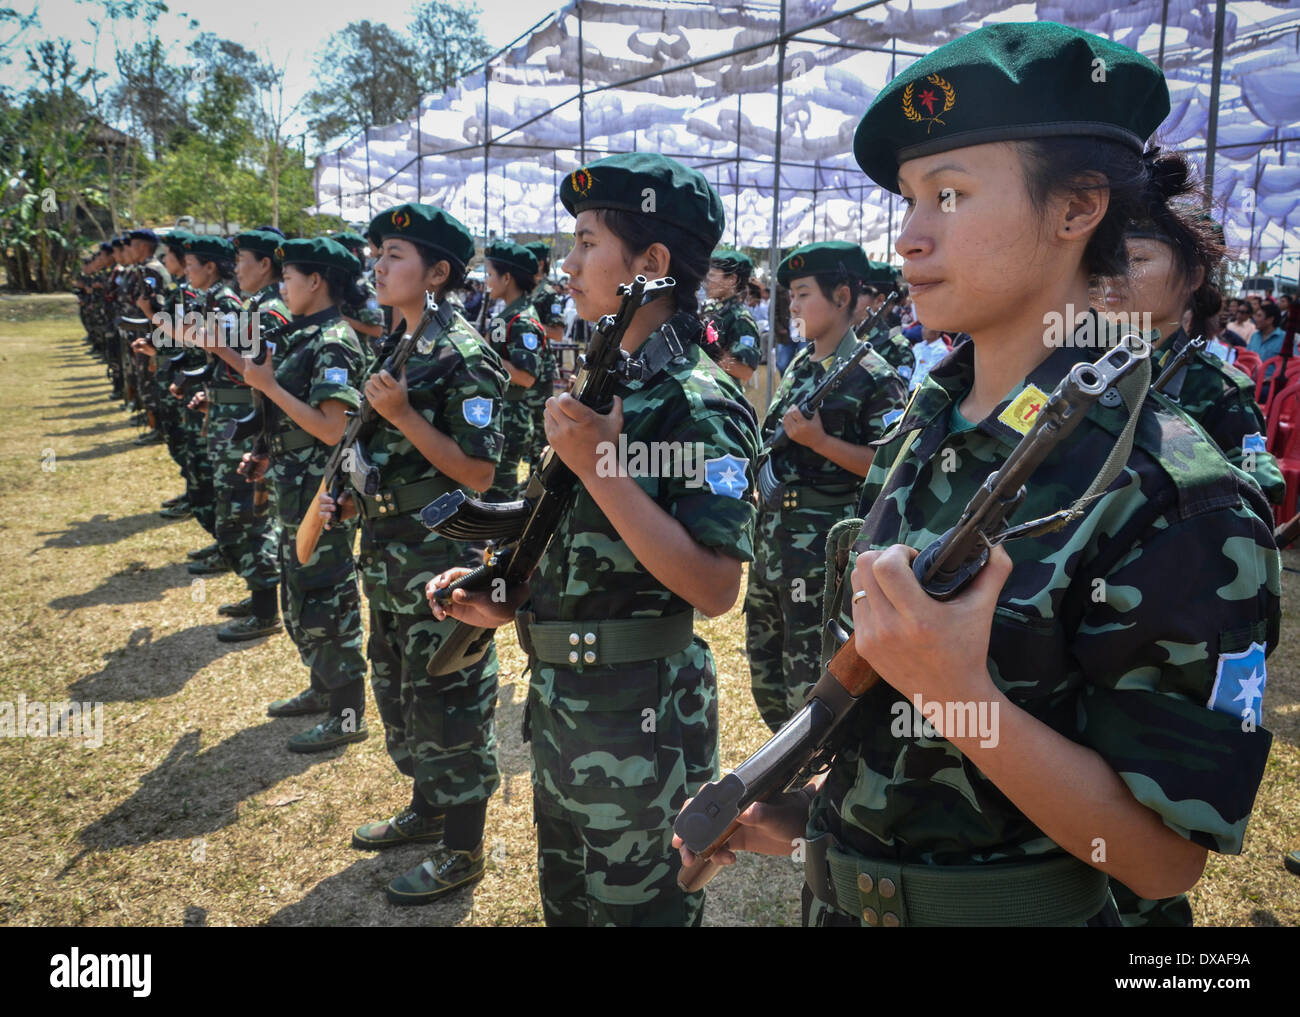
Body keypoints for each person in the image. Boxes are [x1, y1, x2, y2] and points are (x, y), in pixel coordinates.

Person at [678, 21, 1280, 928]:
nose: (910, 239)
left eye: (950, 196)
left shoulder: (1172, 495)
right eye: (911, 200)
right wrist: (812, 821)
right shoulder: (933, 424)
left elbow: (1158, 861)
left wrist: (961, 696)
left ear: (1078, 209)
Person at [428, 152, 759, 926]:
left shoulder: (699, 400)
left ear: (651, 264)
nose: (565, 264)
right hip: (564, 709)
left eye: (584, 243)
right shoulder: (613, 387)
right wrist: (505, 591)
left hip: (646, 726)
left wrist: (600, 462)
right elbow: (577, 540)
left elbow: (716, 588)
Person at [312, 203, 511, 903]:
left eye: (394, 254)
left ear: (436, 272)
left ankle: (463, 846)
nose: (378, 265)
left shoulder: (462, 352)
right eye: (377, 253)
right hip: (389, 552)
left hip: (438, 556)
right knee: (400, 692)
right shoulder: (396, 343)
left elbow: (480, 473)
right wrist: (351, 496)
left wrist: (403, 416)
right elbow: (380, 452)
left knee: (449, 696)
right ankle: (428, 807)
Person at [746, 241, 906, 732]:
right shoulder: (801, 366)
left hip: (820, 548)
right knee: (766, 666)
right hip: (774, 540)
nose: (792, 306)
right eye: (789, 296)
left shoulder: (875, 375)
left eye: (801, 294)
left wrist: (818, 441)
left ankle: (811, 782)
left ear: (841, 296)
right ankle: (778, 773)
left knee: (810, 672)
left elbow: (891, 466)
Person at [237, 238, 371, 752]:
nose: (282, 286)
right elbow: (296, 417)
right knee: (300, 595)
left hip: (325, 494)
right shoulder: (305, 335)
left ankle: (347, 713)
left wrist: (268, 386)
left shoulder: (334, 340)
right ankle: (322, 688)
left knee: (326, 596)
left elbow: (334, 429)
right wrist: (269, 451)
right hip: (294, 486)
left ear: (315, 282)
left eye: (289, 277)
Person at [481, 240, 544, 501]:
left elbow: (526, 377)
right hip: (501, 412)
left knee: (499, 493)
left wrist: (482, 352)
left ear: (507, 278)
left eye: (490, 274)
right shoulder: (508, 315)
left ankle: (501, 542)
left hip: (511, 417)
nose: (487, 281)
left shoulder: (523, 320)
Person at [523, 240, 565, 472]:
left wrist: (529, 324)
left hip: (540, 369)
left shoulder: (549, 294)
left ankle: (537, 476)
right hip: (523, 365)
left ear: (540, 262)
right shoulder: (527, 291)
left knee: (540, 428)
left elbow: (558, 332)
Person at [702, 248, 762, 384]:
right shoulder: (712, 310)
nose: (707, 281)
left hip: (721, 397)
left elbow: (745, 371)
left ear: (732, 280)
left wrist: (711, 353)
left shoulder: (740, 319)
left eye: (712, 275)